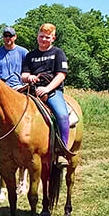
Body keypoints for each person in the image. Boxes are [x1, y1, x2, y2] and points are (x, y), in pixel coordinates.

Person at [20, 23, 70, 165]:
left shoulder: (58, 53)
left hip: (52, 91)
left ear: (53, 38)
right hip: (32, 89)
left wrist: (47, 88)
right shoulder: (31, 55)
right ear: (37, 37)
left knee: (62, 115)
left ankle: (62, 151)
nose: (43, 40)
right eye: (41, 36)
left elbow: (61, 75)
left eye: (47, 37)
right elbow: (23, 75)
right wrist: (28, 78)